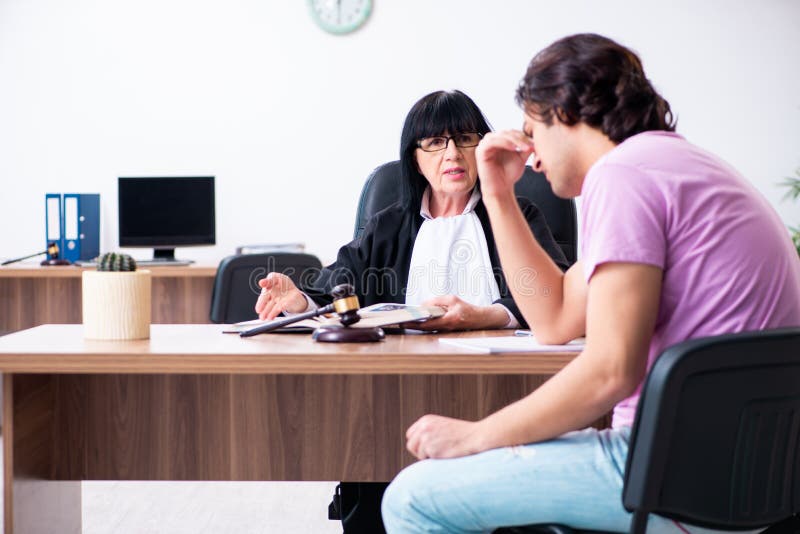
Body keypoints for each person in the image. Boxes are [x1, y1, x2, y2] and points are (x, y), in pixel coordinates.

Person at [381, 33, 800, 533]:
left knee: (411, 498)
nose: (532, 157)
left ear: (563, 113)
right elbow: (554, 318)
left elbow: (609, 372)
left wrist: (477, 436)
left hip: (670, 475)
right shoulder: (673, 166)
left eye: (533, 130)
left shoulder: (623, 177)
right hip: (737, 478)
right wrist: (496, 192)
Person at [255, 89, 569, 330]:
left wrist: (485, 316)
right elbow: (336, 289)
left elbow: (555, 296)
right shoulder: (388, 225)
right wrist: (299, 302)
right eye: (435, 142)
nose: (453, 153)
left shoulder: (517, 215)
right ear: (415, 160)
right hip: (401, 376)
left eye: (464, 139)